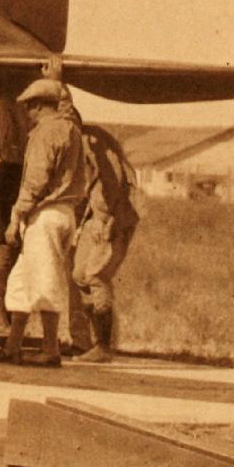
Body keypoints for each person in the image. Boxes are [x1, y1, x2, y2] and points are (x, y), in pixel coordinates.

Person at [0, 77, 91, 368]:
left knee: (45, 283)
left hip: (44, 216)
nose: (27, 113)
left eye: (30, 107)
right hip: (65, 214)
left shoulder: (43, 134)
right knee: (21, 281)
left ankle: (50, 350)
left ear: (39, 106)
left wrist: (15, 218)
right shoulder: (70, 128)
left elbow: (34, 181)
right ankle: (13, 346)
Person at [69, 120, 140, 362]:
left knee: (95, 276)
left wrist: (105, 219)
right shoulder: (84, 137)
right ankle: (97, 341)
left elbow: (111, 181)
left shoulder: (91, 141)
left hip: (113, 217)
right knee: (80, 275)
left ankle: (104, 346)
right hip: (97, 216)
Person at [0, 95, 27, 331]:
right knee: (9, 246)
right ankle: (0, 311)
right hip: (11, 172)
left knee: (15, 248)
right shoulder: (11, 100)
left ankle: (6, 312)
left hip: (16, 170)